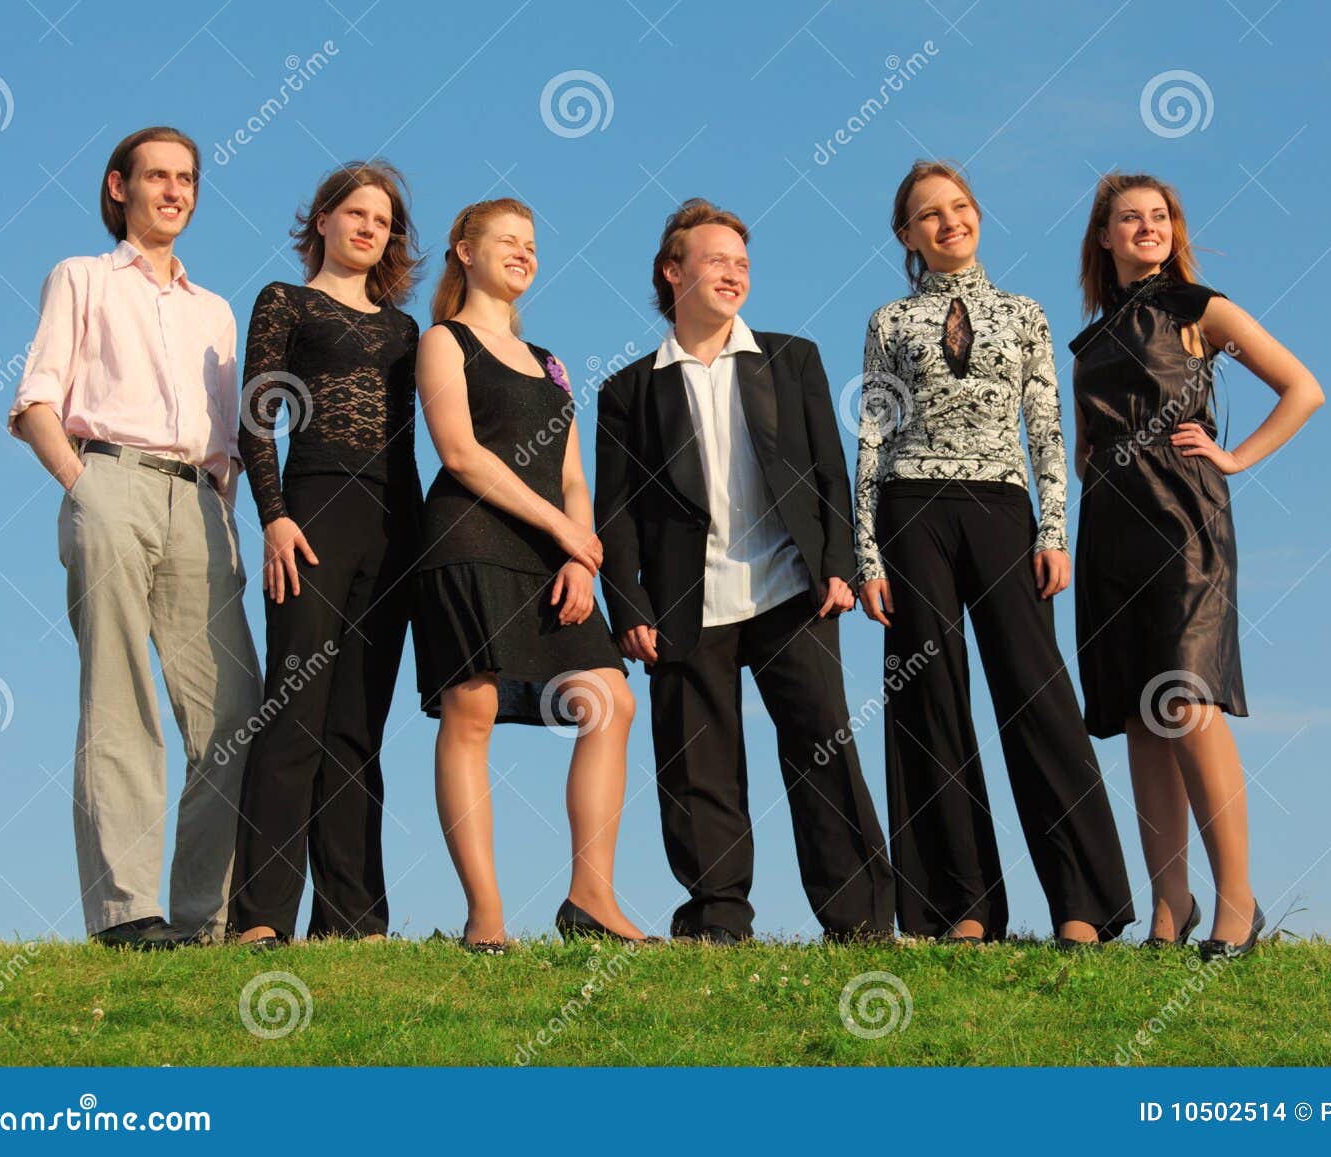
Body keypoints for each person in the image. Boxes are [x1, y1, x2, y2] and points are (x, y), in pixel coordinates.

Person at [596, 198, 895, 945]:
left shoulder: (792, 359)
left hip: (791, 588)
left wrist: (839, 564)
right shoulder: (628, 390)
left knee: (822, 748)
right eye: (716, 260)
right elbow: (616, 512)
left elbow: (829, 470)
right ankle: (717, 918)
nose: (733, 274)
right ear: (673, 272)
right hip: (683, 602)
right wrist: (628, 604)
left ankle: (860, 919)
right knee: (698, 765)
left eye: (742, 263)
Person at [854, 161, 1134, 948]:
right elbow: (872, 434)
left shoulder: (1025, 314)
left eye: (960, 206)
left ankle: (1084, 902)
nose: (950, 221)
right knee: (929, 699)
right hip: (911, 510)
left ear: (978, 214)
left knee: (1036, 693)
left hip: (1003, 509)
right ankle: (960, 907)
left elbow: (1047, 430)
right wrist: (866, 552)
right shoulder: (888, 322)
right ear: (907, 235)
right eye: (929, 214)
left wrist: (1054, 532)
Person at [7, 126, 261, 949]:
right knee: (120, 698)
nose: (175, 191)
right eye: (158, 176)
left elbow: (227, 435)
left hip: (201, 504)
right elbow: (36, 400)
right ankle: (125, 913)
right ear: (120, 187)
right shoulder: (80, 277)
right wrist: (84, 485)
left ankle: (203, 919)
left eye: (187, 178)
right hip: (109, 476)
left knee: (234, 711)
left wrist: (223, 514)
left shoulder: (216, 310)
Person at [1068, 171, 1323, 960]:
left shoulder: (1200, 310)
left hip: (1185, 524)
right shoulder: (1086, 342)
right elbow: (1083, 448)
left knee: (1183, 701)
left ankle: (1236, 901)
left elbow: (1302, 388)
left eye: (1159, 216)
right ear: (1104, 237)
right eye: (1130, 218)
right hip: (1108, 531)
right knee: (1141, 718)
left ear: (1173, 231)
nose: (1147, 226)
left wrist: (1234, 456)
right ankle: (1168, 904)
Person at [414, 198, 651, 952]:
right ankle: (485, 916)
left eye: (532, 245)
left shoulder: (550, 360)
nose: (524, 253)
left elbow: (573, 475)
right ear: (465, 251)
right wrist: (563, 531)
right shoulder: (442, 341)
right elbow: (460, 453)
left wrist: (579, 553)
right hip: (468, 540)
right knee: (472, 707)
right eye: (508, 241)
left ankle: (591, 897)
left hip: (551, 553)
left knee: (610, 700)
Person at [226, 161, 423, 949]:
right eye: (356, 212)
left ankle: (353, 917)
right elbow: (256, 414)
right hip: (310, 513)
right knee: (293, 709)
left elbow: (411, 442)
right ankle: (260, 915)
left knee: (358, 725)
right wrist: (273, 516)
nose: (369, 227)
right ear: (324, 219)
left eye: (383, 219)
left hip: (393, 524)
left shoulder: (405, 331)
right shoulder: (286, 300)